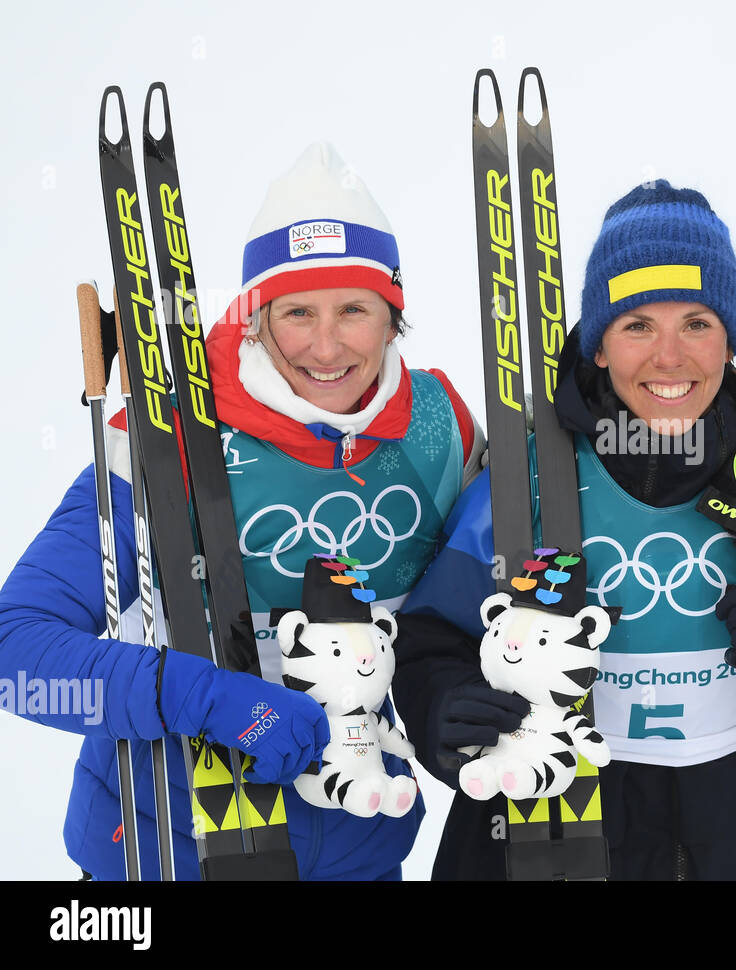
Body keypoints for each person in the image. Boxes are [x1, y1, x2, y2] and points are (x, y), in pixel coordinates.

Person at [0, 142, 481, 880]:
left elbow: (465, 619)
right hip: (167, 849)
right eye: (296, 313)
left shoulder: (441, 430)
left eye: (354, 309)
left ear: (393, 317)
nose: (326, 345)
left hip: (360, 848)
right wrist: (198, 696)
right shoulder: (171, 438)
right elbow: (18, 655)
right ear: (255, 318)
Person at [393, 181, 736, 879]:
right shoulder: (529, 474)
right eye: (636, 326)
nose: (669, 357)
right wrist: (447, 711)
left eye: (696, 323)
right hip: (544, 834)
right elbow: (428, 643)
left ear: (728, 340)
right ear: (597, 346)